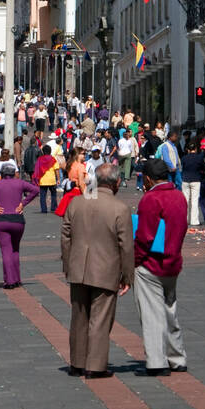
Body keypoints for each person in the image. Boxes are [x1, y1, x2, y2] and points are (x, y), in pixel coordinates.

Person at [61, 162, 134, 378]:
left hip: (77, 268)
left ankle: (76, 363)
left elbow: (65, 235)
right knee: (100, 319)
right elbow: (127, 246)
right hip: (106, 269)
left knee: (79, 316)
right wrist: (128, 275)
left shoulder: (77, 202)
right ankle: (95, 365)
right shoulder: (119, 208)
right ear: (117, 182)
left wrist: (68, 263)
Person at [134, 159, 189, 375]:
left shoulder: (151, 199)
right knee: (170, 310)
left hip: (151, 263)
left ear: (148, 178)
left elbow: (145, 236)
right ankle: (177, 357)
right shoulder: (179, 196)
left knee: (151, 313)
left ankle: (157, 361)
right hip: (173, 261)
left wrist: (134, 262)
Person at [0, 163, 38, 289]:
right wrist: (23, 203)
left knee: (6, 250)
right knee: (15, 249)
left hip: (1, 220)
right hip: (18, 220)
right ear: (13, 173)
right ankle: (16, 278)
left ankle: (9, 280)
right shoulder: (20, 183)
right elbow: (35, 190)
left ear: (2, 173)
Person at [180, 137, 205, 228]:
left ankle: (184, 219)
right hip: (196, 179)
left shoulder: (184, 158)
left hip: (185, 180)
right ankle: (194, 221)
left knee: (185, 200)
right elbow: (204, 168)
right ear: (195, 149)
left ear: (188, 150)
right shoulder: (199, 158)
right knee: (195, 201)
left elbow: (182, 168)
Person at [33, 146, 59, 213]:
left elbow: (37, 170)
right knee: (53, 194)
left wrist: (36, 179)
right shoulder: (53, 159)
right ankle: (53, 207)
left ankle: (44, 209)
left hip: (43, 180)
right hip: (52, 180)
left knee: (43, 195)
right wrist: (58, 179)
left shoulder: (40, 159)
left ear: (43, 151)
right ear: (50, 151)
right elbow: (56, 170)